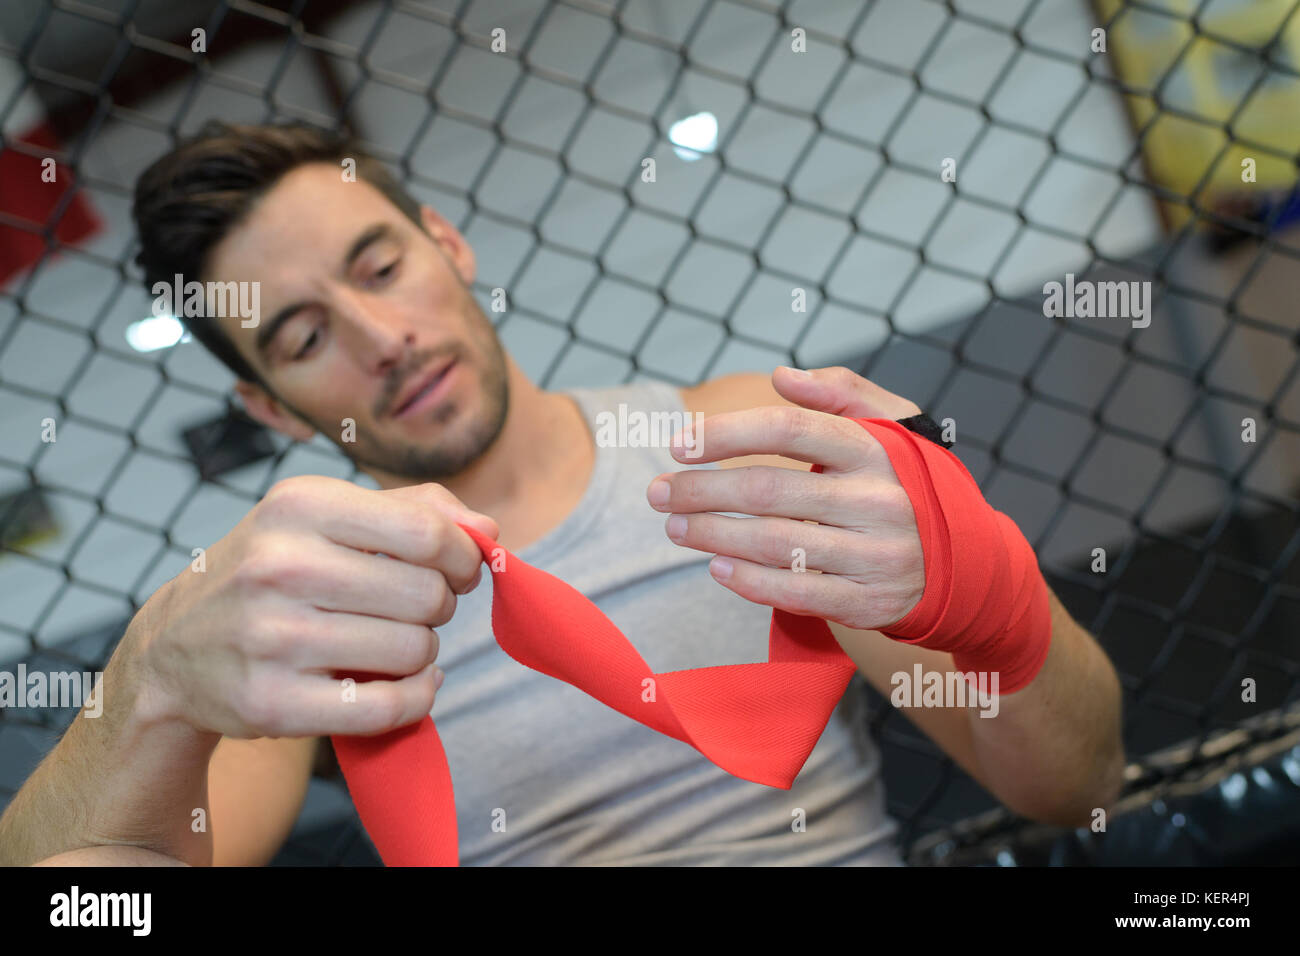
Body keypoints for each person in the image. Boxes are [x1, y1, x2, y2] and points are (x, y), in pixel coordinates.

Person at [0, 122, 1124, 867]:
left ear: (448, 244)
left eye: (381, 268)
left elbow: (1073, 786)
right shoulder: (317, 614)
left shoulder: (744, 443)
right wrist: (146, 682)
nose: (383, 339)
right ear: (273, 412)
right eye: (301, 336)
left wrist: (995, 602)